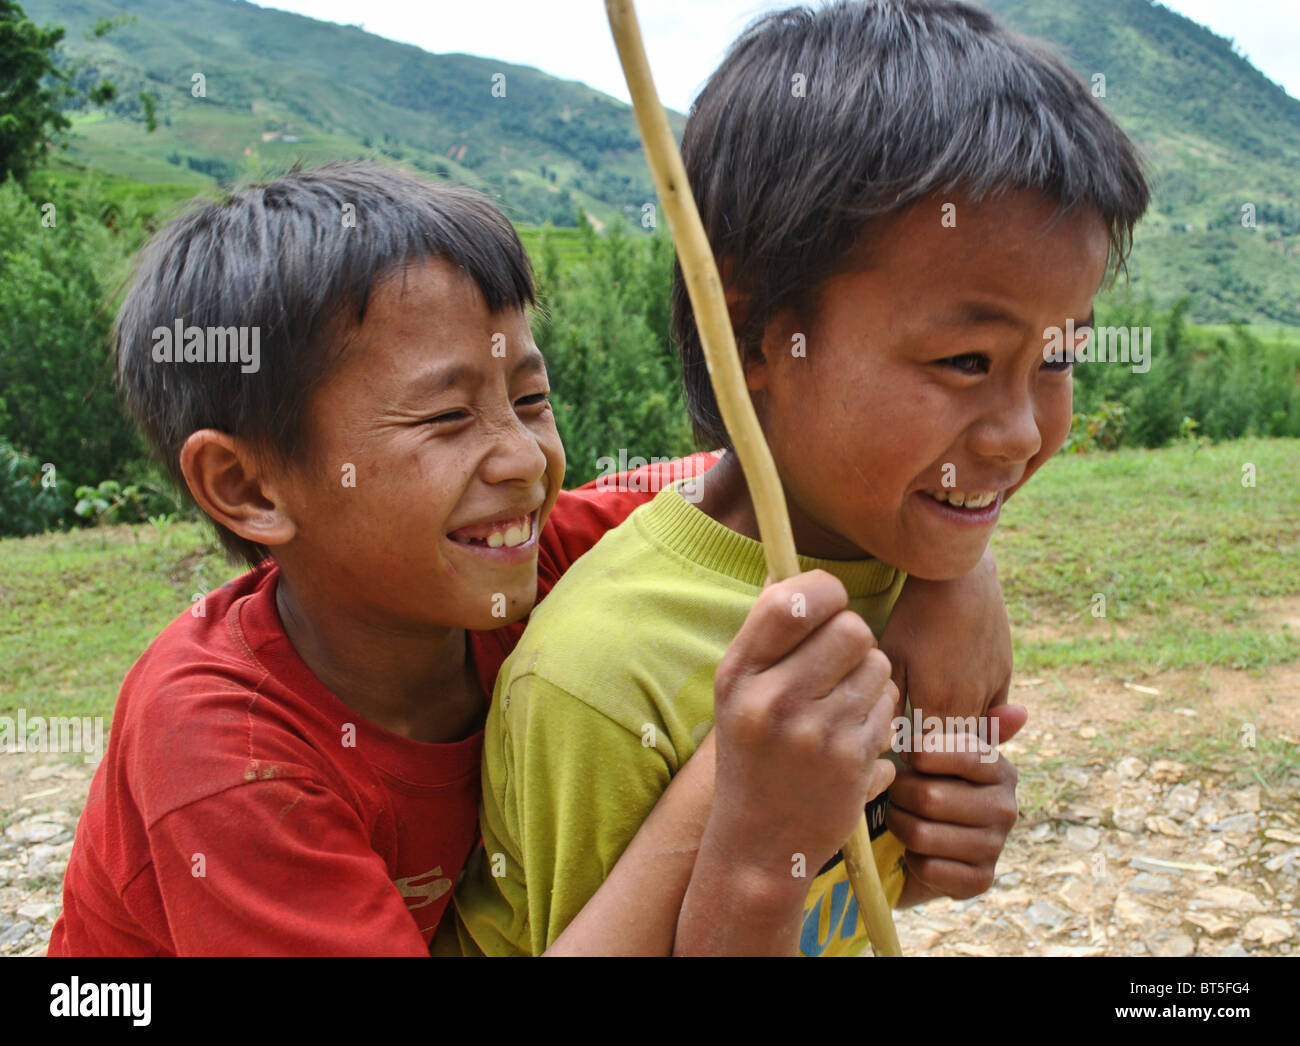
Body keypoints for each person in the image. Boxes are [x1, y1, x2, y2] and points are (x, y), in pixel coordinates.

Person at [48, 160, 1014, 955]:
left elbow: (813, 477)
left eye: (530, 398)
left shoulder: (542, 550)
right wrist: (739, 797)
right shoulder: (226, 757)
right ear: (250, 488)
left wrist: (955, 578)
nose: (524, 459)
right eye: (444, 416)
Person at [444, 0, 1149, 956]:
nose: (1022, 434)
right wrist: (759, 846)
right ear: (753, 336)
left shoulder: (897, 558)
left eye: (1060, 356)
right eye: (968, 362)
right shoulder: (606, 683)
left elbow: (848, 904)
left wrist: (927, 842)